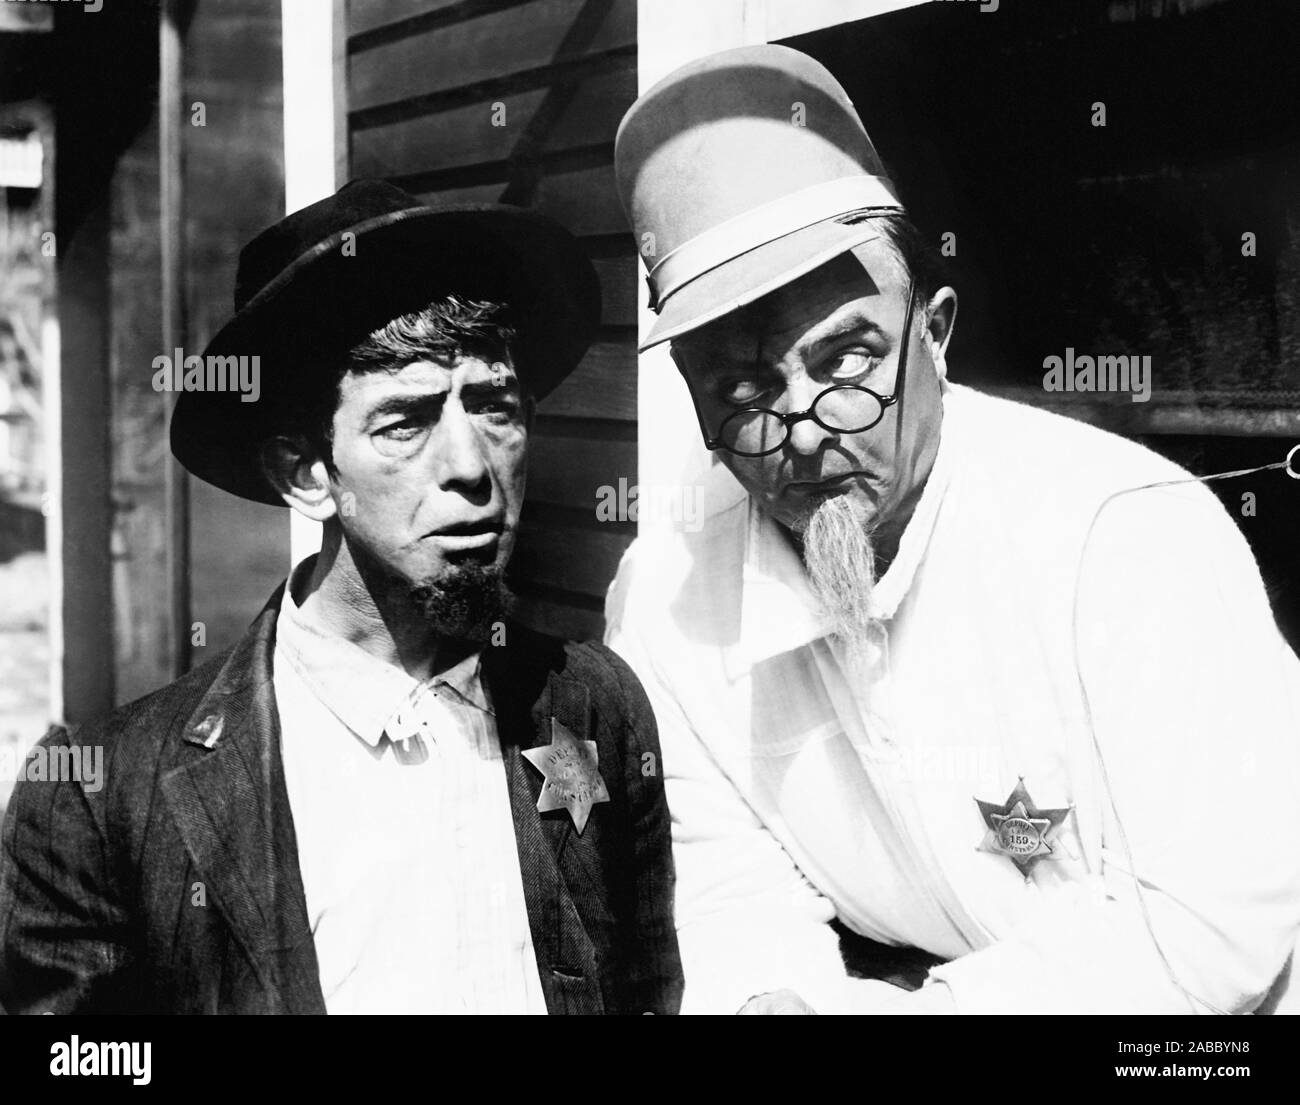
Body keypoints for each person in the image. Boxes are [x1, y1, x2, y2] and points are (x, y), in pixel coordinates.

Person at [605, 44, 1300, 1014]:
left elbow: (1208, 928)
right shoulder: (669, 594)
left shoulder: (1121, 537)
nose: (804, 434)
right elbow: (723, 888)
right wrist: (771, 998)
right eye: (744, 388)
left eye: (845, 360)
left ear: (933, 331)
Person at [0, 180, 682, 1015]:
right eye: (406, 422)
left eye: (496, 407)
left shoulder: (595, 706)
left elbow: (651, 992)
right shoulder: (99, 800)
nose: (472, 467)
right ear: (307, 474)